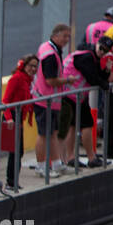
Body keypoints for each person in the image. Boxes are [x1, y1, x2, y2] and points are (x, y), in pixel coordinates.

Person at [33, 25, 78, 173]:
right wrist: (67, 80)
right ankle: (41, 167)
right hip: (45, 100)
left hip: (49, 100)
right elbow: (51, 81)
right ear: (56, 36)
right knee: (44, 134)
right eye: (65, 36)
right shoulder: (50, 54)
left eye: (68, 36)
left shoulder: (47, 48)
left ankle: (57, 164)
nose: (67, 40)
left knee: (51, 134)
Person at [67, 36, 111, 166]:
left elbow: (99, 76)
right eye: (101, 48)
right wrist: (106, 86)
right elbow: (92, 78)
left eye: (105, 51)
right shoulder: (86, 57)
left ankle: (72, 158)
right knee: (85, 124)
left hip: (75, 95)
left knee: (74, 126)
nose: (102, 52)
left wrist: (108, 67)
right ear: (97, 44)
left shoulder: (92, 57)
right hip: (72, 95)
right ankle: (89, 158)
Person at [1, 54, 38, 189]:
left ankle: (12, 181)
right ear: (23, 65)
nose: (33, 69)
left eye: (35, 66)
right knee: (15, 151)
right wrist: (9, 118)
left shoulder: (29, 80)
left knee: (18, 151)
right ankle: (11, 182)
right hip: (11, 117)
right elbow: (5, 100)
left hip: (18, 117)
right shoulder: (17, 78)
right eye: (30, 66)